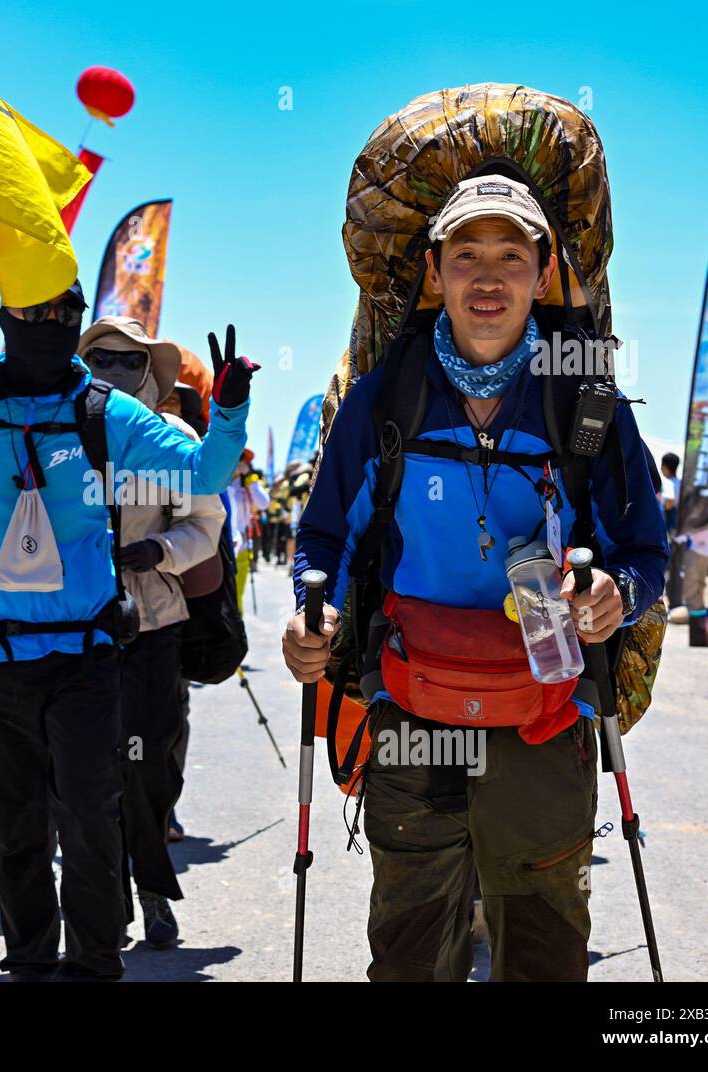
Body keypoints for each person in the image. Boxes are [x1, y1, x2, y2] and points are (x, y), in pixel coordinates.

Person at [284, 177, 667, 981]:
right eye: (466, 255)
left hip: (547, 716)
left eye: (511, 256)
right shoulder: (385, 398)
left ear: (544, 269)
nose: (487, 278)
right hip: (413, 714)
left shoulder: (584, 401)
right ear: (435, 272)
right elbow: (323, 538)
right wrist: (308, 614)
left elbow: (643, 552)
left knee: (543, 960)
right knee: (412, 958)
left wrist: (613, 598)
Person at [0, 282, 255, 980]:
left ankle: (95, 965)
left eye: (66, 314)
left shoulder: (107, 414)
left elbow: (206, 474)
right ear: (5, 318)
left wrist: (232, 410)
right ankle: (31, 964)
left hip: (90, 656)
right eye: (35, 314)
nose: (50, 326)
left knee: (92, 819)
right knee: (14, 827)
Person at [79, 315, 227, 948]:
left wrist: (160, 552)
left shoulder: (172, 437)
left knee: (148, 766)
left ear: (146, 372)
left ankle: (152, 888)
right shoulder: (54, 433)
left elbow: (206, 525)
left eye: (125, 362)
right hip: (75, 627)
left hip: (154, 624)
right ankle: (105, 899)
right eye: (100, 360)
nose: (112, 373)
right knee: (86, 772)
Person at [227, 452, 269, 609]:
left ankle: (237, 631)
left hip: (242, 548)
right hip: (219, 546)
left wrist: (251, 480)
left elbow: (264, 503)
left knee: (236, 597)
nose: (236, 462)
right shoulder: (218, 479)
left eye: (240, 458)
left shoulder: (248, 484)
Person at [659, 452, 683, 608]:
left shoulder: (667, 483)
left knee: (665, 567)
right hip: (682, 531)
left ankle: (660, 602)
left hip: (669, 531)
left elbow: (669, 501)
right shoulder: (682, 482)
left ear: (665, 467)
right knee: (677, 568)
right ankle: (676, 602)